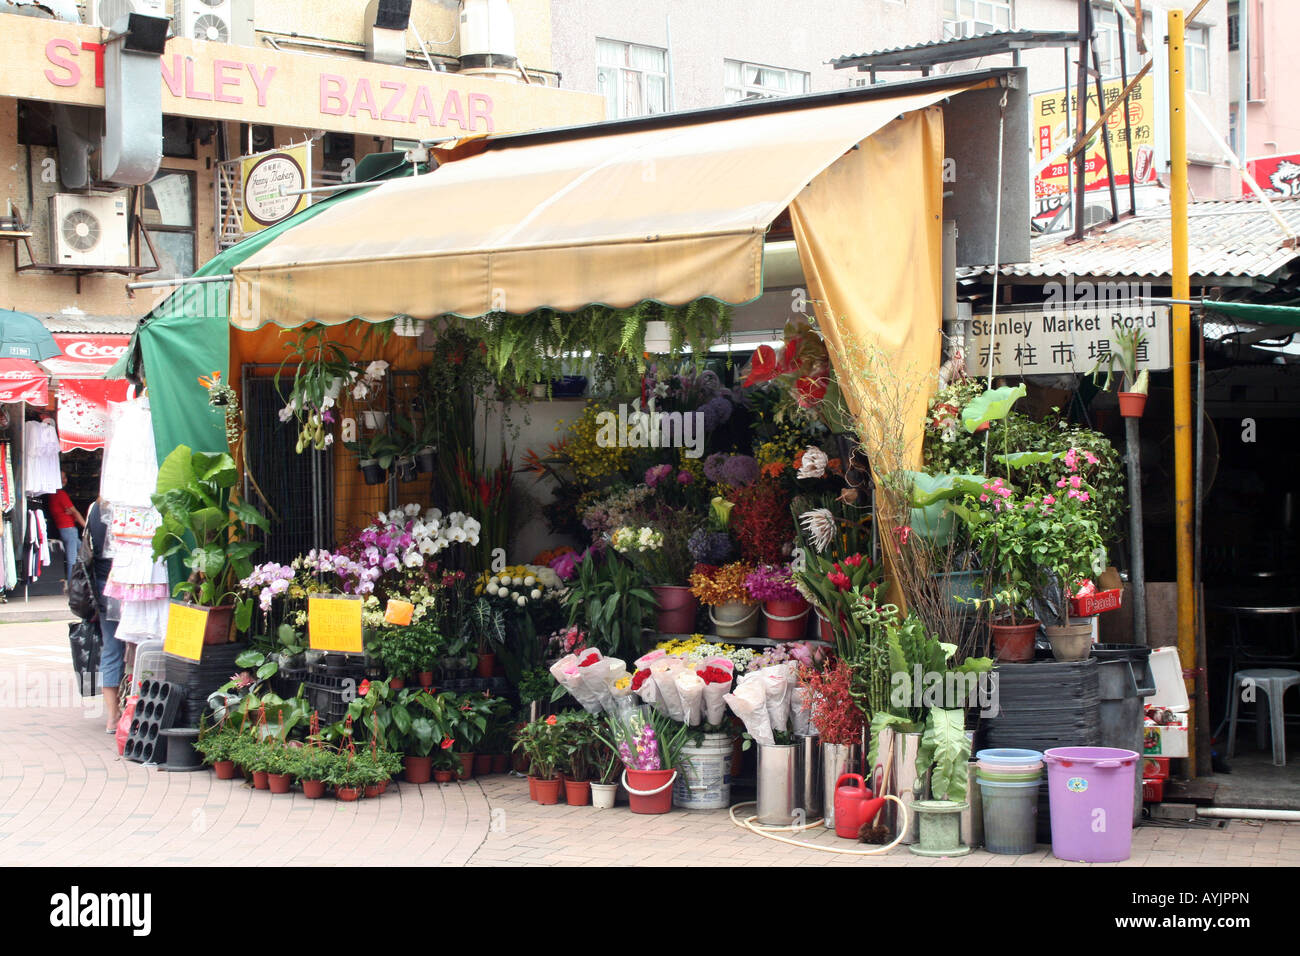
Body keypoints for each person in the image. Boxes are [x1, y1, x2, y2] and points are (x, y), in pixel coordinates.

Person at [86, 498, 125, 734]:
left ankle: (112, 717)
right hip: (130, 583)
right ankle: (132, 709)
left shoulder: (93, 508)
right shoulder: (131, 503)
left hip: (102, 583)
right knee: (135, 646)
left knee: (111, 647)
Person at [48, 472, 86, 583]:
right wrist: (87, 526)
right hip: (69, 529)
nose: (64, 480)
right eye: (61, 478)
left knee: (83, 553)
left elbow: (68, 512)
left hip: (65, 529)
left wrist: (71, 513)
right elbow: (75, 512)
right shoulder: (61, 494)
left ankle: (82, 581)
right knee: (72, 559)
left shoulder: (52, 495)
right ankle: (71, 585)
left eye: (65, 477)